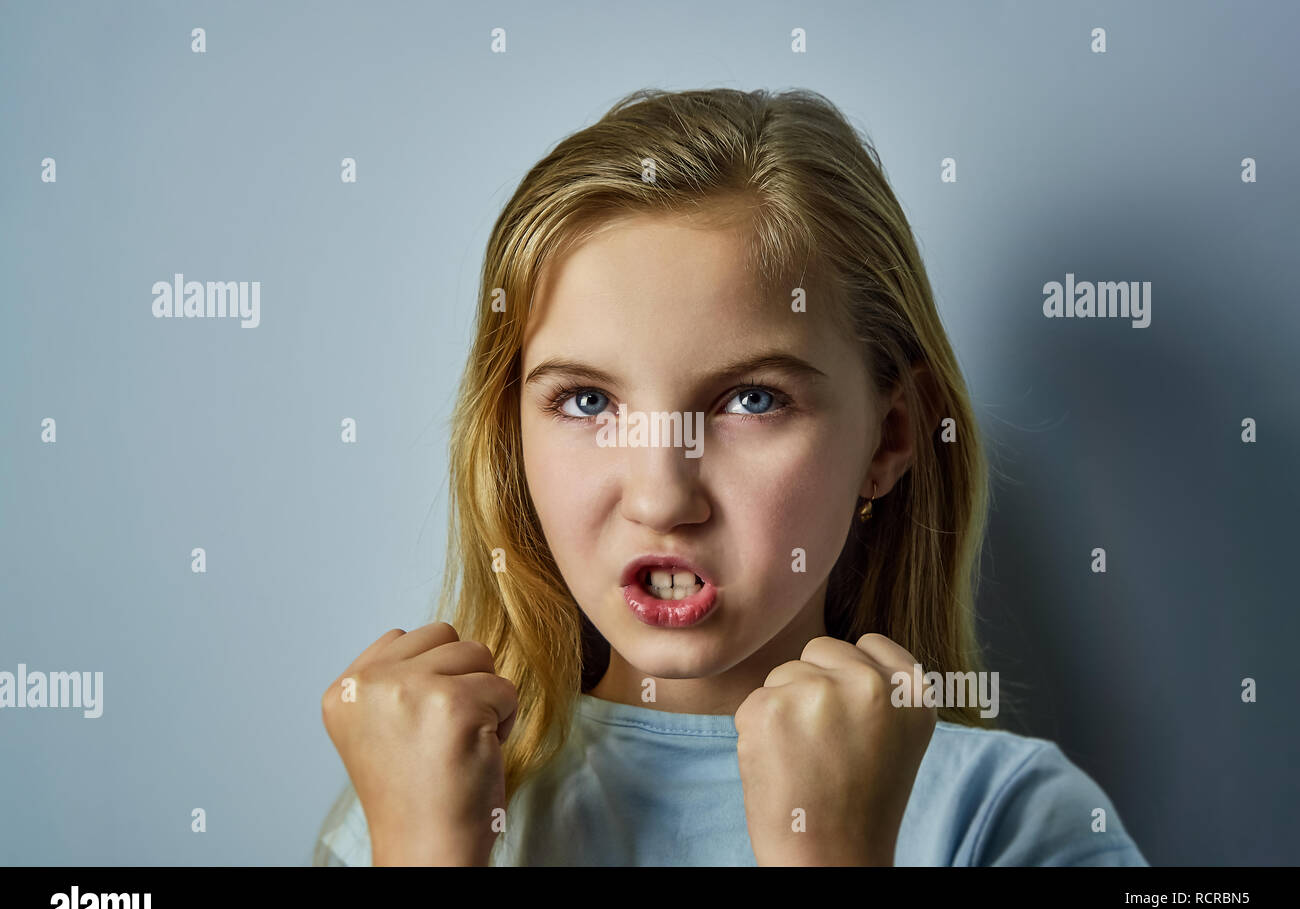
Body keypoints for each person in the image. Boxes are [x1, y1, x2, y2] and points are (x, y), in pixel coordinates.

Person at [314, 87, 1147, 866]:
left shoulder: (1007, 817)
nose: (660, 498)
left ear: (891, 436)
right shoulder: (414, 800)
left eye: (751, 400)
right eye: (586, 400)